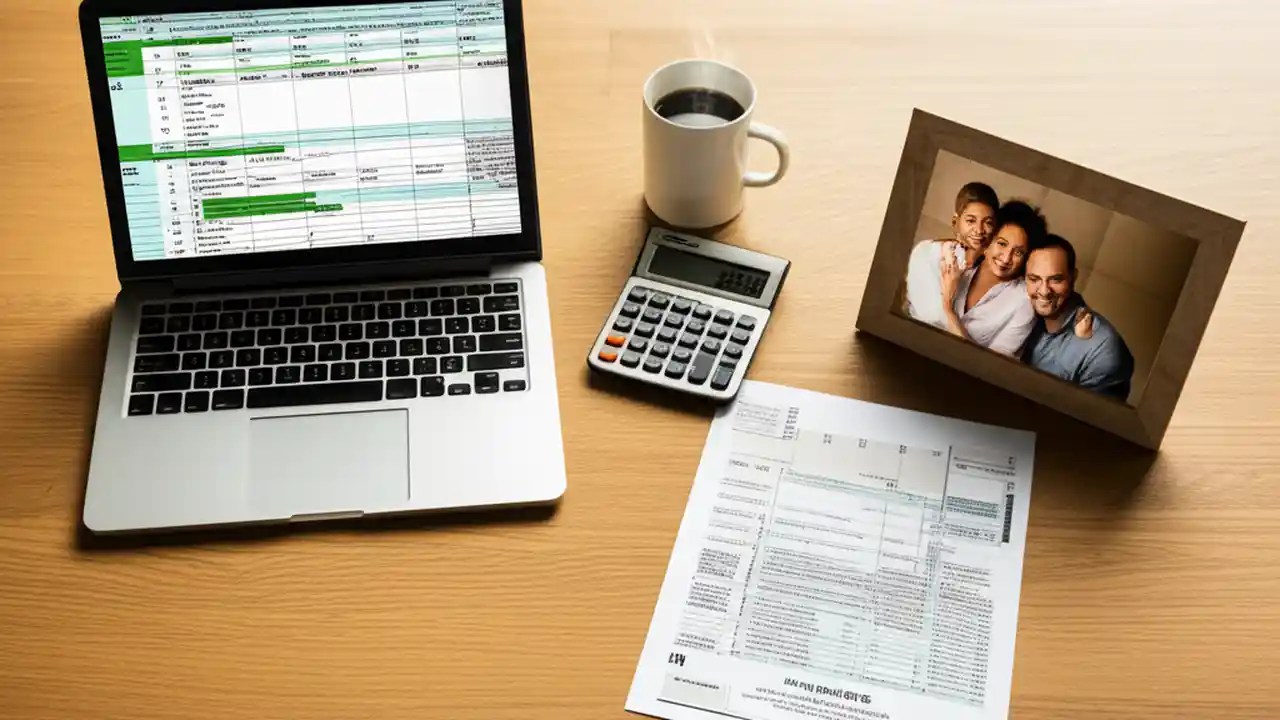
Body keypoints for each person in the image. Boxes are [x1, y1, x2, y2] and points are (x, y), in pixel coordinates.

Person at [1021, 234, 1134, 400]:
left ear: (1073, 277)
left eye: (1056, 280)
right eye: (1034, 279)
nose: (1044, 291)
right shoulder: (1020, 314)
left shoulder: (1102, 349)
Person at [936, 200, 1045, 356]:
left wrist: (948, 308)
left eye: (1018, 252)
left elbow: (986, 366)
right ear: (988, 242)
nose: (1006, 258)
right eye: (1002, 244)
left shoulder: (1024, 303)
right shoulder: (956, 263)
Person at [904, 182, 999, 329]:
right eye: (971, 221)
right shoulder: (926, 252)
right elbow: (932, 319)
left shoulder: (988, 270)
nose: (979, 230)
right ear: (956, 221)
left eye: (988, 223)